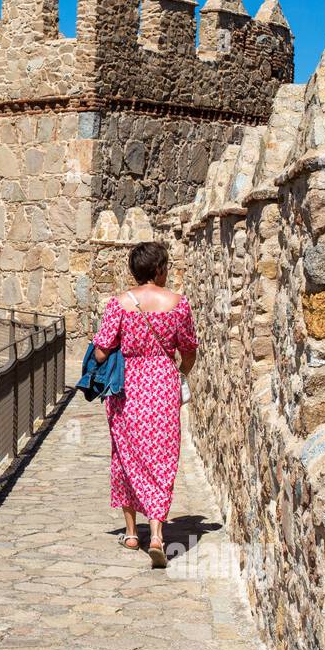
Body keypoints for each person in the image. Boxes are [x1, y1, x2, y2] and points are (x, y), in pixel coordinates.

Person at [91, 241, 198, 567]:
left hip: (127, 392)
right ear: (159, 270)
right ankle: (156, 534)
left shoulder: (118, 305)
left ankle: (131, 532)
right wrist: (179, 373)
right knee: (161, 460)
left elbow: (100, 352)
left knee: (125, 457)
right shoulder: (179, 305)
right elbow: (189, 349)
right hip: (162, 388)